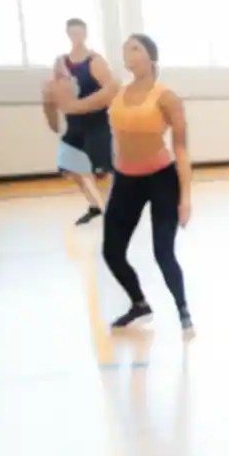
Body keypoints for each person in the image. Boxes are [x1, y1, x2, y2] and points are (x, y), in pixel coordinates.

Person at [65, 34, 193, 336]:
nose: (128, 53)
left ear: (150, 56)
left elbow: (182, 150)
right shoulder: (115, 93)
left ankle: (183, 310)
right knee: (111, 251)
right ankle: (139, 303)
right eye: (125, 49)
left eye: (135, 48)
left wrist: (185, 197)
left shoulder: (166, 97)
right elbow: (79, 105)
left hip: (161, 179)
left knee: (163, 252)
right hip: (126, 180)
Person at [42, 18, 118, 225]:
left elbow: (110, 92)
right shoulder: (61, 62)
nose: (75, 37)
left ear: (85, 34)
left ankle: (113, 211)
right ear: (68, 35)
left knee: (101, 172)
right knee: (71, 166)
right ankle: (95, 206)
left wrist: (83, 105)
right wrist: (52, 115)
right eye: (72, 33)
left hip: (96, 124)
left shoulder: (95, 61)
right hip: (74, 125)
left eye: (79, 33)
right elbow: (56, 92)